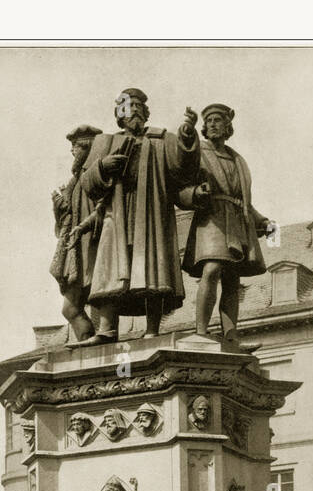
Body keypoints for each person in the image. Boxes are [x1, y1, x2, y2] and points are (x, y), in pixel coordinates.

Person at [80, 88, 201, 341]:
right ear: (119, 115)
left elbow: (183, 169)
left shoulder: (161, 139)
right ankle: (107, 329)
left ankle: (152, 330)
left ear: (146, 113)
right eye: (128, 106)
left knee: (153, 271)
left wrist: (187, 136)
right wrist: (103, 166)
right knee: (110, 269)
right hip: (117, 212)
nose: (134, 109)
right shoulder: (105, 142)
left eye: (138, 106)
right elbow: (87, 183)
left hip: (151, 213)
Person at [178, 103, 275, 351]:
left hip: (236, 220)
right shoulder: (199, 153)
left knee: (232, 279)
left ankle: (231, 336)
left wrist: (262, 221)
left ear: (227, 126)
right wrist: (187, 129)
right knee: (212, 269)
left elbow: (245, 201)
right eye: (208, 121)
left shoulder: (237, 160)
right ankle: (200, 332)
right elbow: (183, 166)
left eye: (217, 120)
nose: (212, 124)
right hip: (211, 217)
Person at [50, 123, 103, 344]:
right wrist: (59, 206)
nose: (72, 152)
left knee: (97, 299)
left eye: (76, 147)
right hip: (76, 250)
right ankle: (88, 345)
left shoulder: (96, 174)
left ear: (87, 147)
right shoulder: (75, 180)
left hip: (93, 245)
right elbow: (66, 219)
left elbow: (105, 208)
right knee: (70, 308)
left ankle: (97, 342)